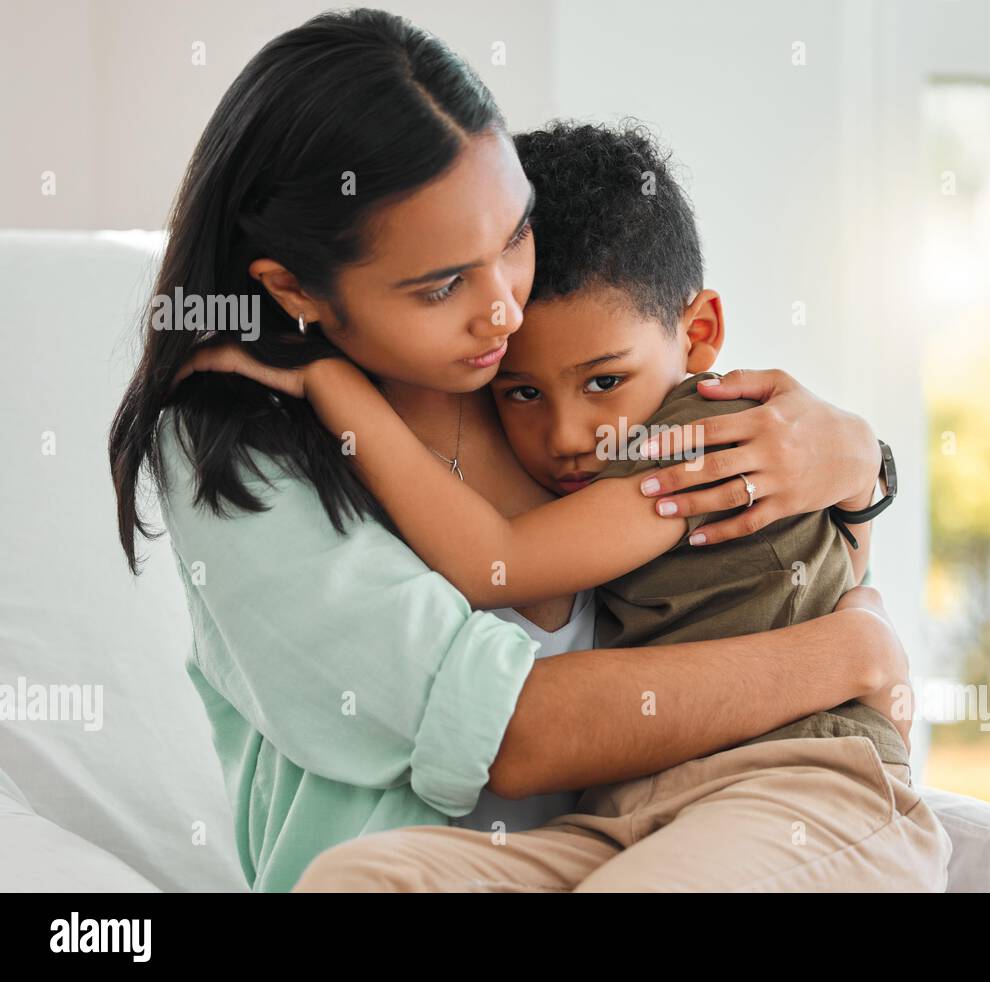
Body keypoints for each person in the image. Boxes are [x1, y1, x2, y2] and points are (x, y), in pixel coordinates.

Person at [110, 8, 917, 892]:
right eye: (444, 284)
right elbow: (509, 729)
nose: (502, 308)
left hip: (712, 814)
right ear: (297, 290)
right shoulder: (239, 446)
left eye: (515, 236)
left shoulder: (545, 372)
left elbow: (783, 554)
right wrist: (848, 655)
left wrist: (859, 462)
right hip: (580, 841)